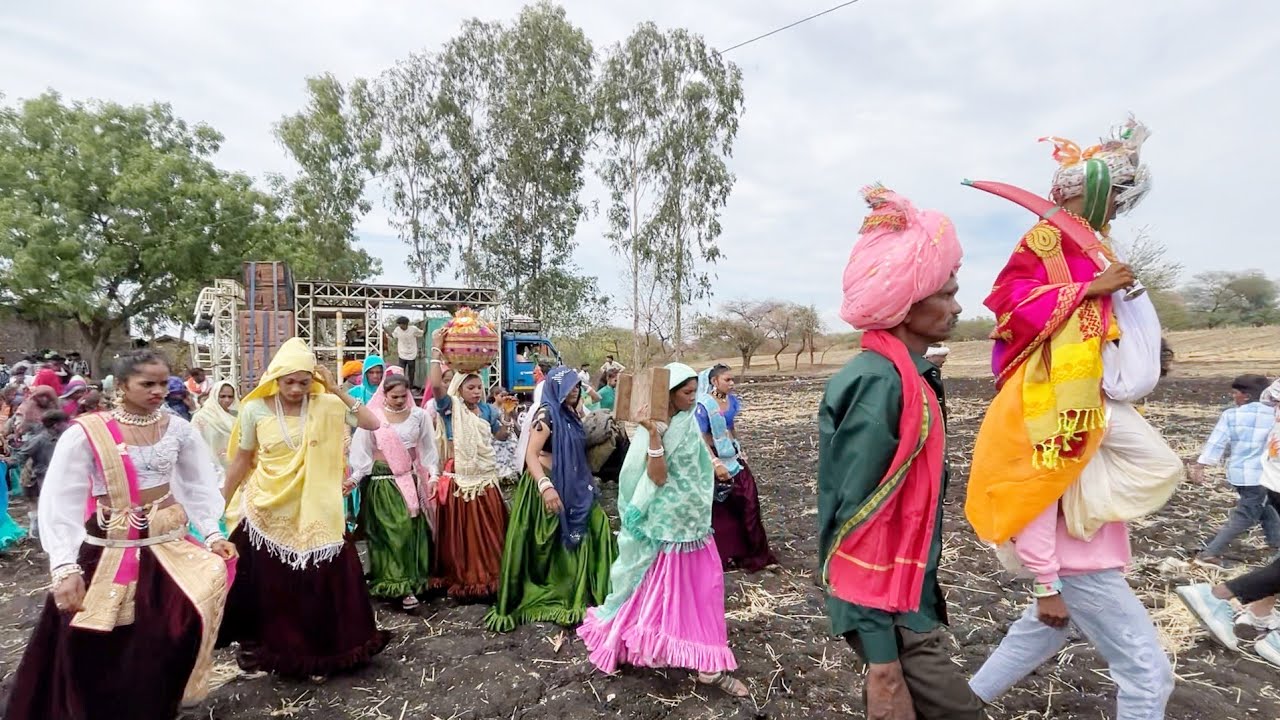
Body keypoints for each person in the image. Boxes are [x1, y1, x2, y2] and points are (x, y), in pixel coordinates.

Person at [966, 118, 1177, 719]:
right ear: (1083, 192)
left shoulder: (1093, 247)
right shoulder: (1043, 243)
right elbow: (1011, 303)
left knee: (1040, 633)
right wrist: (1088, 291)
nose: (1117, 205)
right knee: (1147, 675)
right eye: (1113, 193)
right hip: (1078, 566)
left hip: (1080, 561)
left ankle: (957, 706)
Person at [818, 185, 984, 719]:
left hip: (908, 598)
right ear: (906, 303)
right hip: (891, 612)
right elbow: (856, 518)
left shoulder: (909, 377)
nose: (958, 306)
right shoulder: (880, 383)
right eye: (947, 292)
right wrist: (882, 661)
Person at [4, 350, 235, 720]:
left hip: (167, 546)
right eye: (148, 384)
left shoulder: (178, 428)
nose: (158, 391)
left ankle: (157, 705)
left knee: (170, 632)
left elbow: (198, 483)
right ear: (122, 386)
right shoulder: (87, 433)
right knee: (96, 640)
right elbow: (61, 497)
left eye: (163, 383)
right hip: (108, 547)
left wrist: (210, 532)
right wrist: (64, 566)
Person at [218, 338, 389, 678]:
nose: (296, 389)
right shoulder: (255, 410)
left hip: (318, 510)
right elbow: (241, 461)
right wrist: (218, 504)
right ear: (275, 378)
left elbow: (372, 423)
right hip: (268, 509)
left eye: (303, 381)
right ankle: (275, 652)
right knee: (273, 587)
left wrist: (337, 389)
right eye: (289, 381)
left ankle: (321, 654)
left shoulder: (325, 404)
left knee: (324, 582)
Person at [578, 362, 747, 696]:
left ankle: (697, 657)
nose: (693, 397)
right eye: (686, 393)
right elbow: (656, 476)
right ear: (667, 395)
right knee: (674, 591)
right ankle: (706, 666)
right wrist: (654, 434)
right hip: (670, 528)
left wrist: (714, 464)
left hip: (694, 522)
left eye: (694, 390)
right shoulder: (658, 428)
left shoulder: (686, 420)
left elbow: (698, 445)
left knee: (696, 590)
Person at [486, 366, 617, 631]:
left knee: (597, 525)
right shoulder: (546, 415)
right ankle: (558, 589)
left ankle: (596, 588)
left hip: (574, 483)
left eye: (577, 386)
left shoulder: (570, 414)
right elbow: (531, 454)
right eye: (569, 387)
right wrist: (546, 487)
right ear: (556, 389)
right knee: (548, 542)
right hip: (546, 484)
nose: (575, 391)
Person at [427, 329, 511, 600]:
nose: (476, 392)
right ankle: (466, 576)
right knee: (465, 531)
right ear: (459, 390)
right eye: (470, 388)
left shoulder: (488, 410)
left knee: (489, 527)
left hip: (486, 477)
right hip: (461, 476)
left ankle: (492, 574)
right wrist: (436, 351)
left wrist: (508, 420)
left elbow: (500, 436)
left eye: (479, 388)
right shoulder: (450, 407)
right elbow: (437, 386)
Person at [348, 369, 440, 611]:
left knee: (410, 532)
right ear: (384, 395)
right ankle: (395, 583)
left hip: (409, 482)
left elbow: (428, 449)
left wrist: (433, 475)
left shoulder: (419, 416)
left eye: (403, 396)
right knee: (391, 532)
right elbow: (362, 452)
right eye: (394, 396)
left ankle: (412, 581)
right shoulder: (374, 419)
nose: (399, 400)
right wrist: (355, 479)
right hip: (381, 483)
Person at [697, 363, 778, 573]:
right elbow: (701, 438)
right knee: (722, 512)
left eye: (732, 379)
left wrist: (739, 450)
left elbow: (731, 428)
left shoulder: (731, 401)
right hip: (715, 463)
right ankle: (726, 555)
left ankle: (753, 553)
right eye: (727, 380)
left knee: (750, 504)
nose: (732, 384)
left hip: (734, 459)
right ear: (714, 381)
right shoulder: (703, 406)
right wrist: (715, 463)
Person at [1192, 374, 1278, 566]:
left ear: (1245, 396)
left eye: (1235, 393)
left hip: (1240, 475)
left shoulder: (1231, 415)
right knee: (1246, 515)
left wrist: (1201, 465)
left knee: (1266, 509)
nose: (1233, 397)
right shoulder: (1274, 415)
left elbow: (1216, 442)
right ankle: (1209, 553)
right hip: (1263, 475)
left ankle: (1276, 545)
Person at [11, 409, 71, 538]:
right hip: (44, 475)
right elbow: (22, 455)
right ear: (56, 425)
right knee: (48, 502)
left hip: (60, 475)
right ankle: (41, 528)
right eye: (65, 423)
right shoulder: (39, 440)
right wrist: (24, 469)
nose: (68, 425)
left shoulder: (64, 437)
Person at [191, 380, 239, 478]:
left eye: (230, 397)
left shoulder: (238, 416)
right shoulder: (201, 417)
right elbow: (193, 442)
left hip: (235, 465)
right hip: (210, 468)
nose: (227, 400)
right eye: (222, 396)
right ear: (214, 395)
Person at [390, 317, 425, 389]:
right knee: (400, 372)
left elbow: (422, 333)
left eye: (402, 325)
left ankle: (410, 387)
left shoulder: (413, 329)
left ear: (406, 324)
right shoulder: (397, 330)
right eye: (399, 325)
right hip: (402, 354)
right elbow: (393, 336)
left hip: (412, 354)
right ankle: (400, 386)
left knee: (411, 373)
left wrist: (425, 327)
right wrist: (384, 329)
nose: (401, 326)